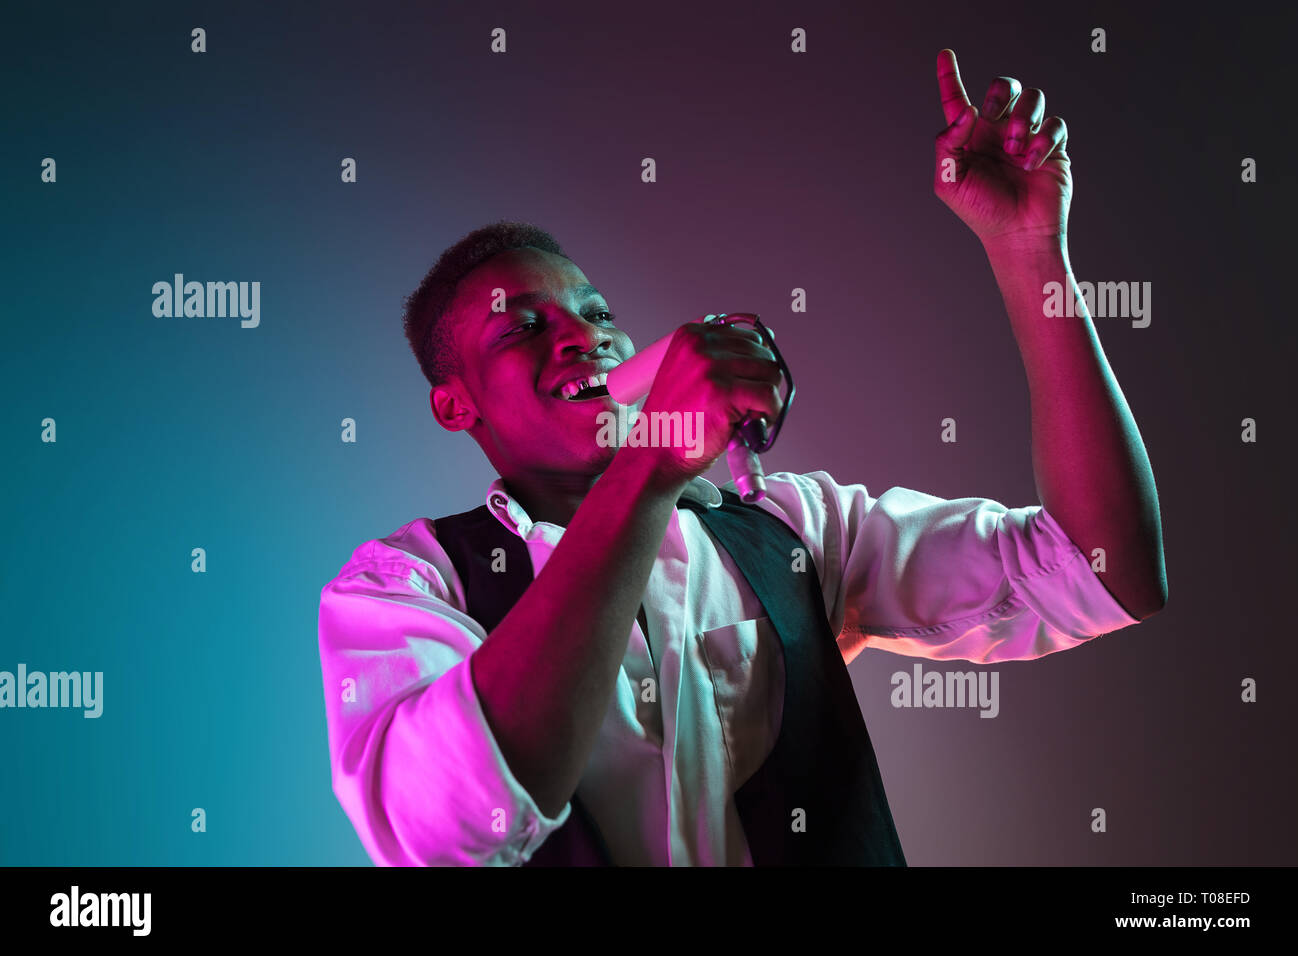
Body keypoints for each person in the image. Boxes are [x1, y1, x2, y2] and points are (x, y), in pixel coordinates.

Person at [316, 49, 1167, 866]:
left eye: (597, 314)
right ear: (454, 403)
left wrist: (1029, 254)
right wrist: (652, 468)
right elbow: (457, 821)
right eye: (523, 327)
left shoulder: (789, 529)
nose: (582, 336)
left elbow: (1102, 569)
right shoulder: (402, 589)